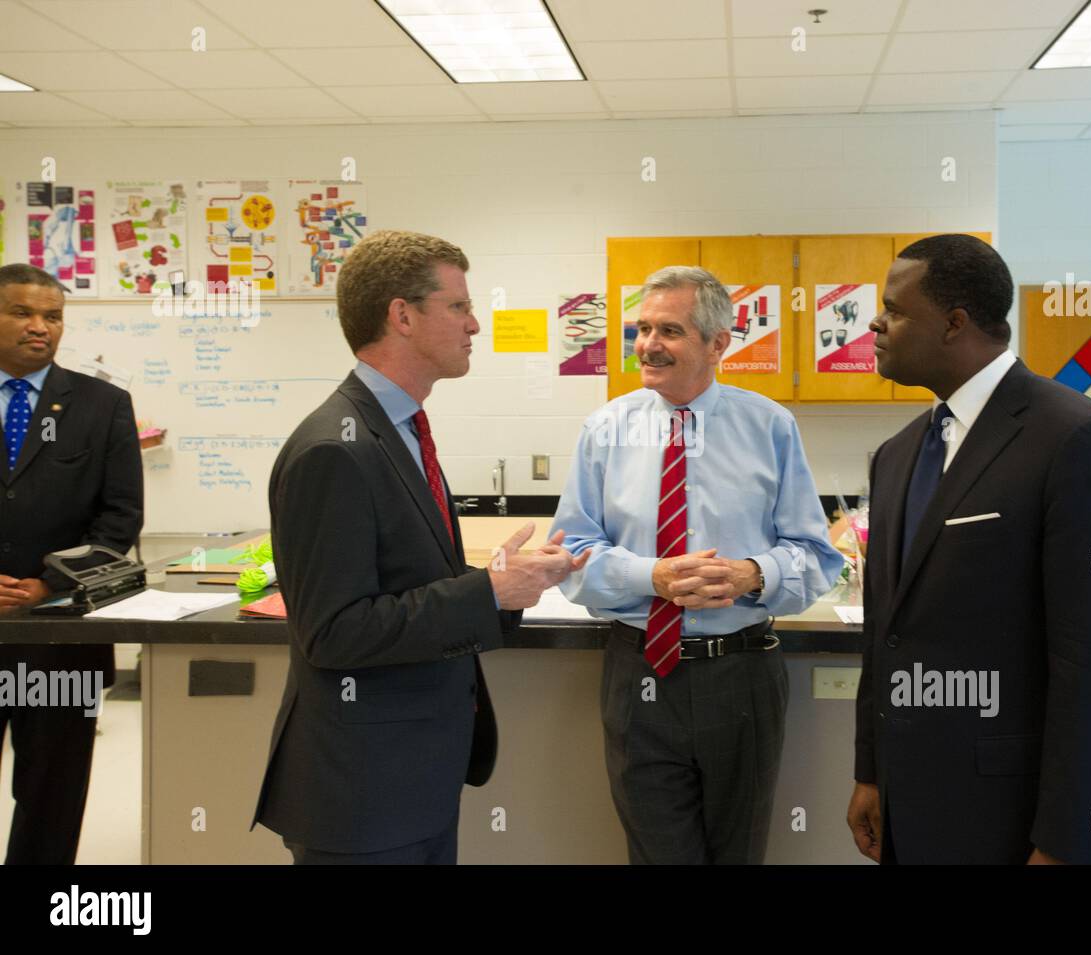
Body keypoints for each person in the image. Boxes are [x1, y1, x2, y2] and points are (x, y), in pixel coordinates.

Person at [252, 230, 587, 864]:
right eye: (459, 307)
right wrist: (486, 591)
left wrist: (504, 582)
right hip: (363, 794)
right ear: (402, 315)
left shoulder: (396, 429)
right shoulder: (335, 449)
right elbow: (336, 630)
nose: (476, 325)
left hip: (413, 780)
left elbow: (407, 577)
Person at [846, 234, 1091, 864]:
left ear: (955, 323)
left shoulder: (1080, 441)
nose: (875, 324)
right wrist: (872, 770)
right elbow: (887, 632)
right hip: (913, 807)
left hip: (1018, 819)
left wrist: (1071, 838)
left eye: (896, 310)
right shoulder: (898, 455)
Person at [553, 266, 842, 864]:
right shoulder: (605, 430)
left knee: (737, 854)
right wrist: (650, 577)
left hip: (740, 676)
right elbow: (572, 557)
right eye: (641, 329)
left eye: (670, 330)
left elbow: (817, 557)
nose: (648, 345)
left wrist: (752, 575)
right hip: (640, 674)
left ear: (717, 344)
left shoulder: (769, 427)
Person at [0, 263, 144, 864]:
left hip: (63, 637)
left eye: (53, 316)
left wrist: (44, 585)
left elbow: (118, 522)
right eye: (23, 313)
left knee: (53, 797)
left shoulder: (102, 406)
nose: (40, 327)